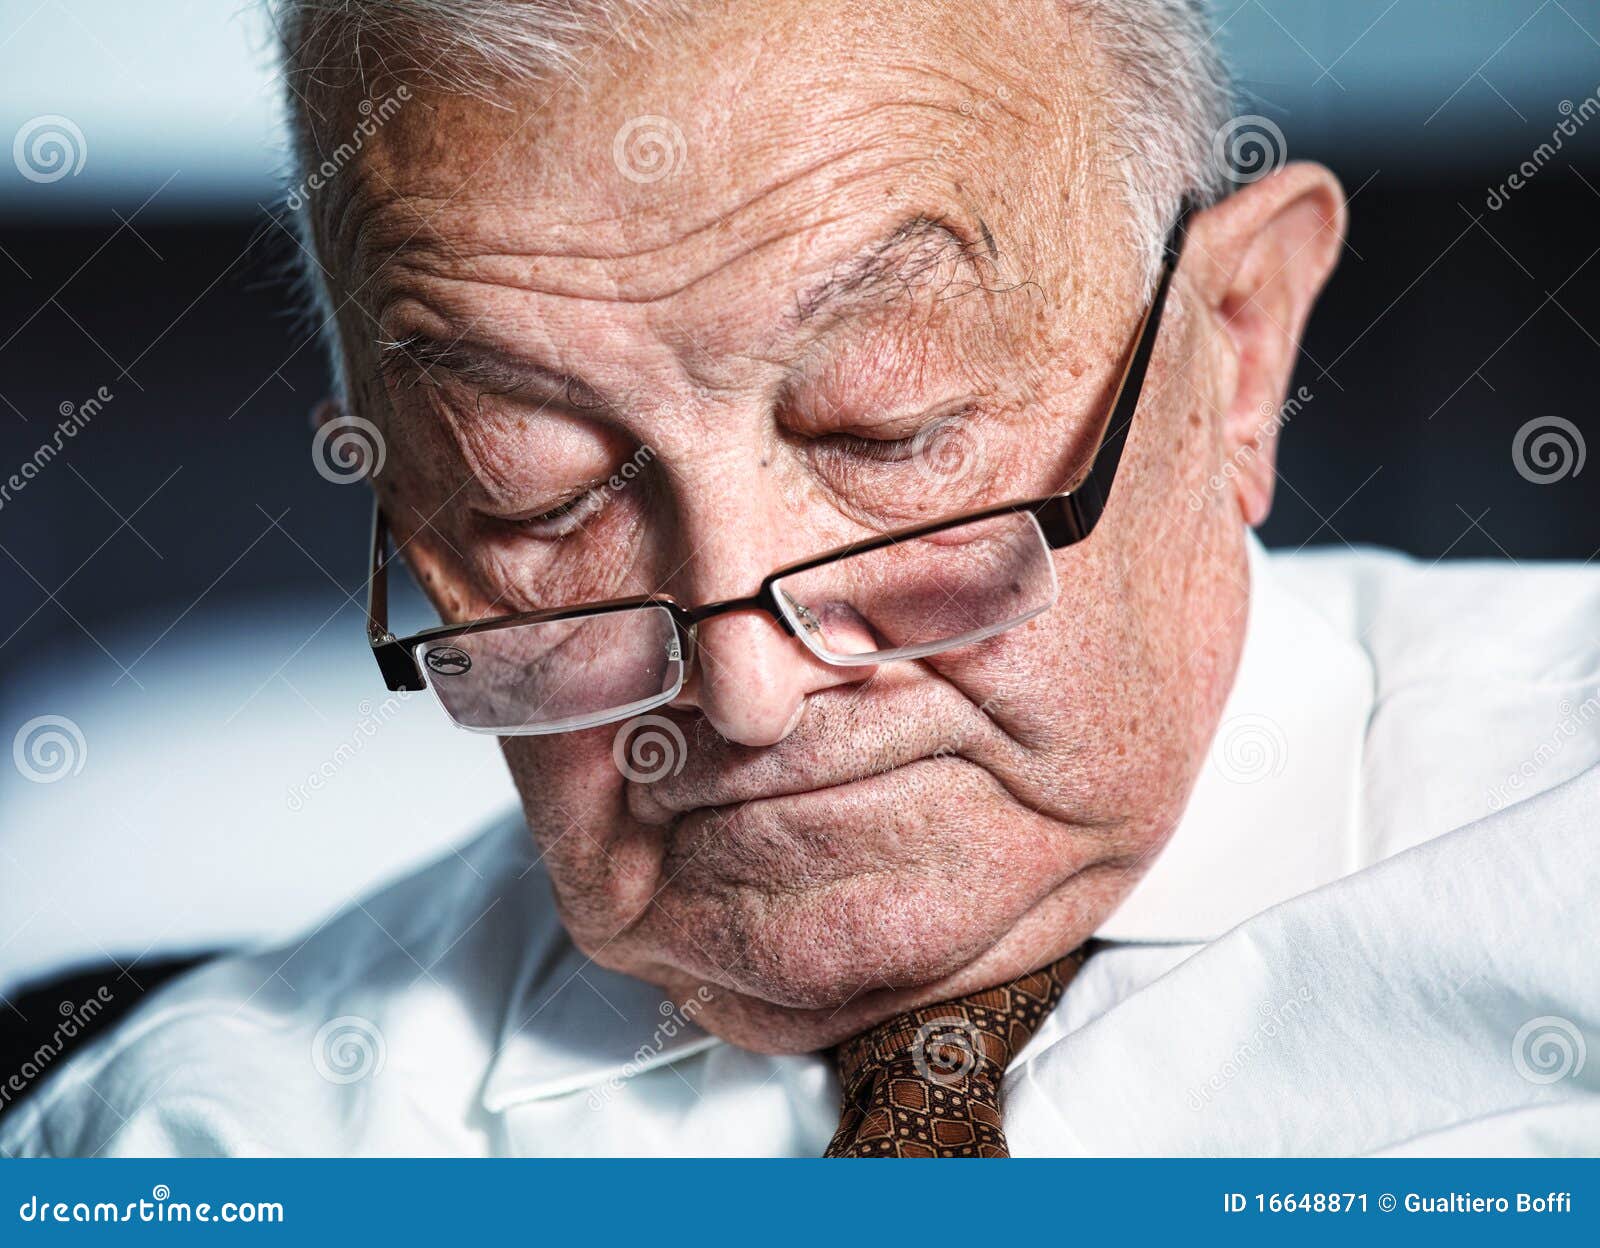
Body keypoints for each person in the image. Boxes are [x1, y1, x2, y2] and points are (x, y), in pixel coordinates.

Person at [4, 0, 1596, 1158]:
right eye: (535, 497)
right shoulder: (207, 1146)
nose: (750, 695)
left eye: (886, 431)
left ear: (1236, 353)